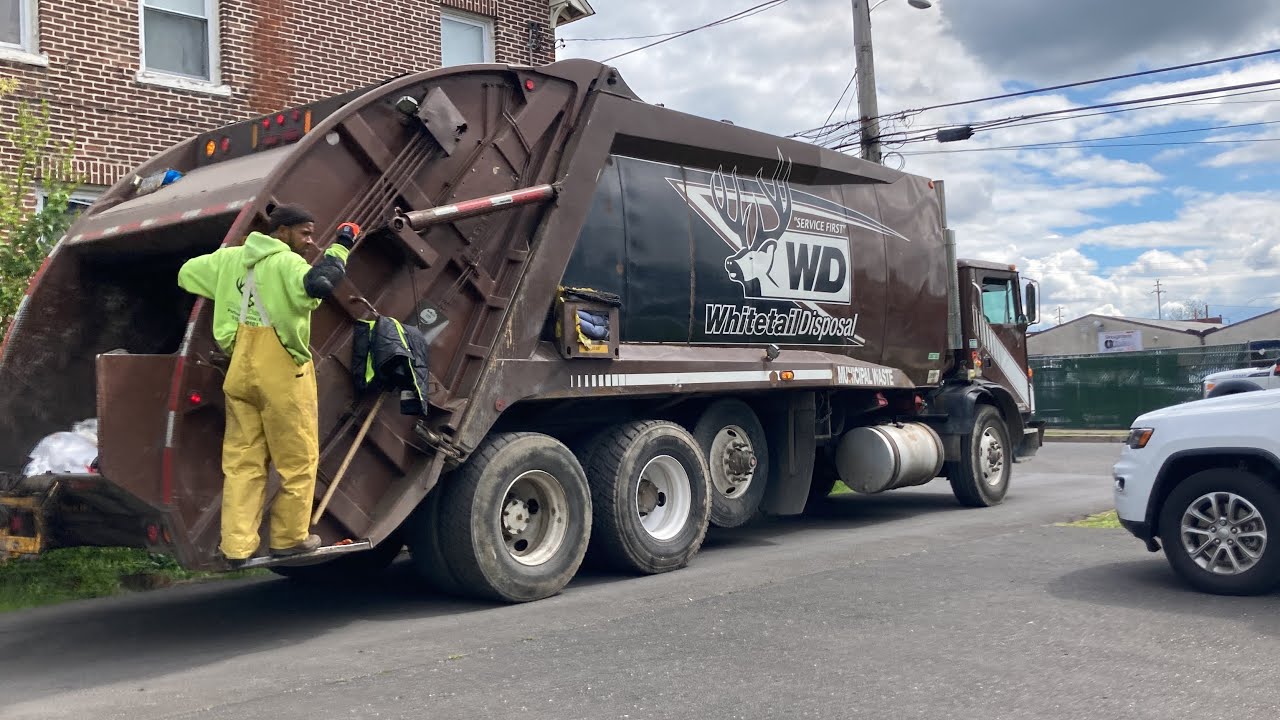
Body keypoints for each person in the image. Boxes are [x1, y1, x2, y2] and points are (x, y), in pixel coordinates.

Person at [177, 205, 357, 565]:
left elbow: (185, 273)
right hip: (282, 372)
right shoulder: (287, 263)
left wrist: (228, 274)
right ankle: (289, 538)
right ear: (282, 231)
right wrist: (342, 245)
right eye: (304, 233)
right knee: (298, 460)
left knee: (243, 464)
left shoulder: (229, 259)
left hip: (239, 368)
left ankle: (237, 546)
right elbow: (320, 284)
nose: (309, 241)